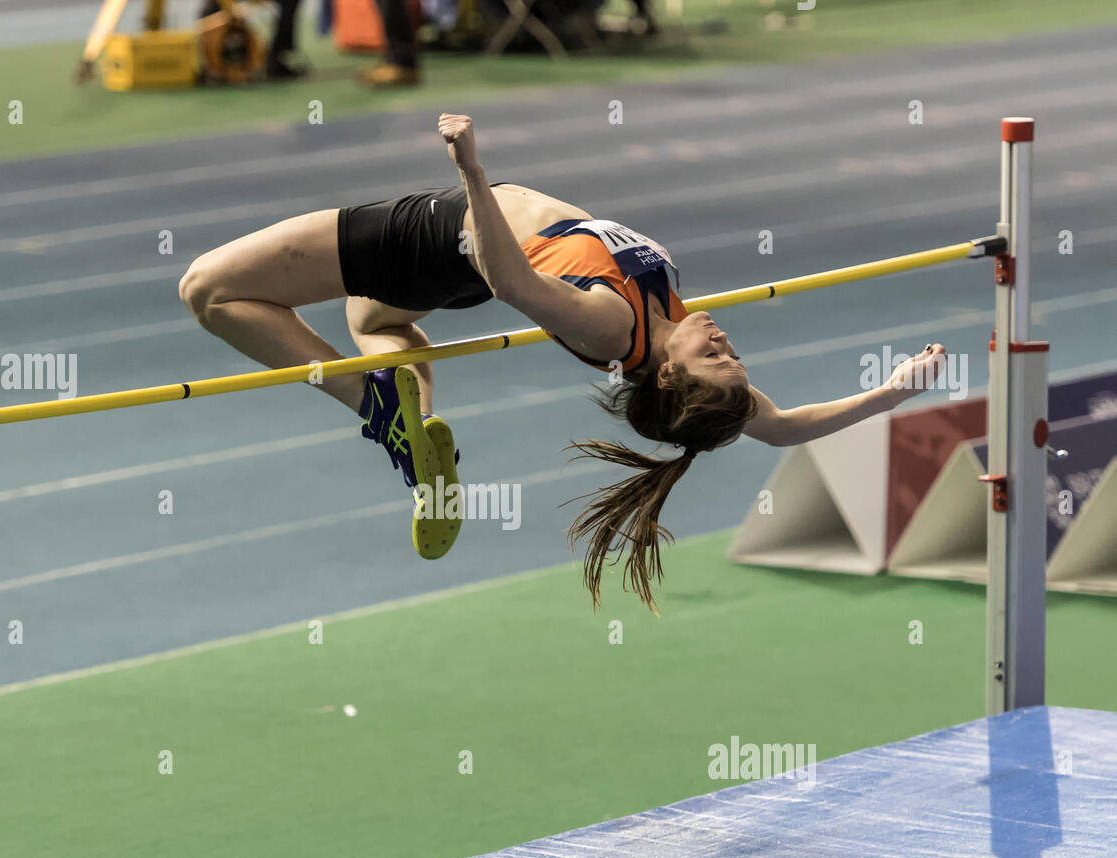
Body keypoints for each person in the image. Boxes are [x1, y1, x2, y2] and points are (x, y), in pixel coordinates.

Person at [178, 114, 948, 611]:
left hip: (434, 238)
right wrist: (891, 391)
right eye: (736, 358)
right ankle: (404, 419)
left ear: (673, 379)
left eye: (719, 361)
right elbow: (779, 428)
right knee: (374, 321)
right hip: (445, 267)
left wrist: (472, 170)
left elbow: (510, 279)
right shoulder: (671, 325)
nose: (728, 344)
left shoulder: (614, 329)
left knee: (208, 288)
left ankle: (378, 412)